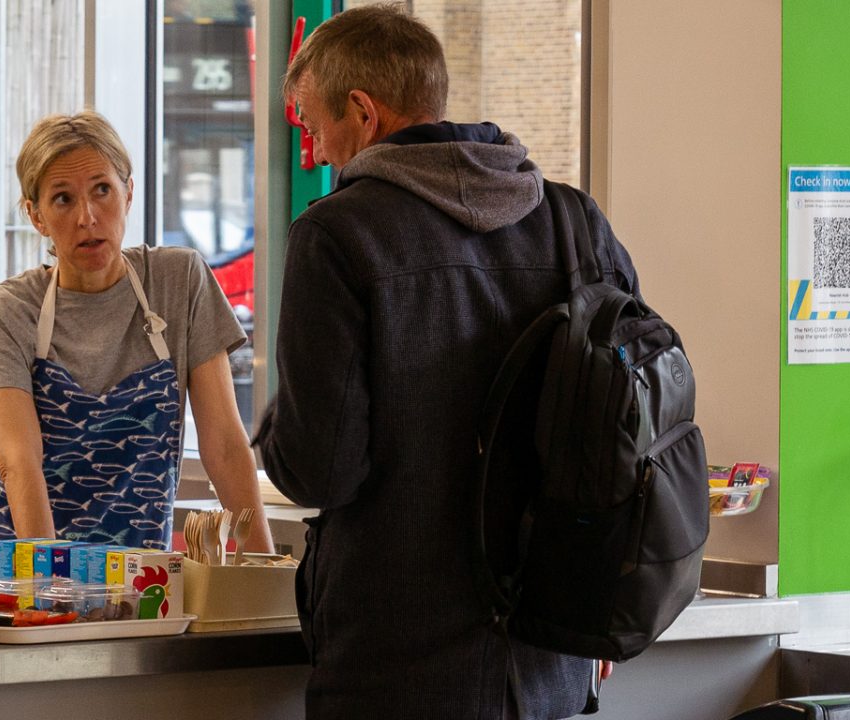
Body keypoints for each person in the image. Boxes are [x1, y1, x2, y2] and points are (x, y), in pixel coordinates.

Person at [256, 6, 612, 718]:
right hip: (550, 660)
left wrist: (273, 432)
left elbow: (321, 467)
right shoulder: (574, 222)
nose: (318, 151)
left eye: (313, 126)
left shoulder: (338, 235)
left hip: (396, 658)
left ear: (363, 112)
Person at [0, 111, 271, 588]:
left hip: (139, 582)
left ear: (128, 191)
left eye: (102, 190)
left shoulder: (179, 282)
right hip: (18, 577)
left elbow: (226, 447)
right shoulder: (4, 311)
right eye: (63, 199)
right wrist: (51, 591)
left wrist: (263, 578)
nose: (87, 217)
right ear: (36, 216)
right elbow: (18, 463)